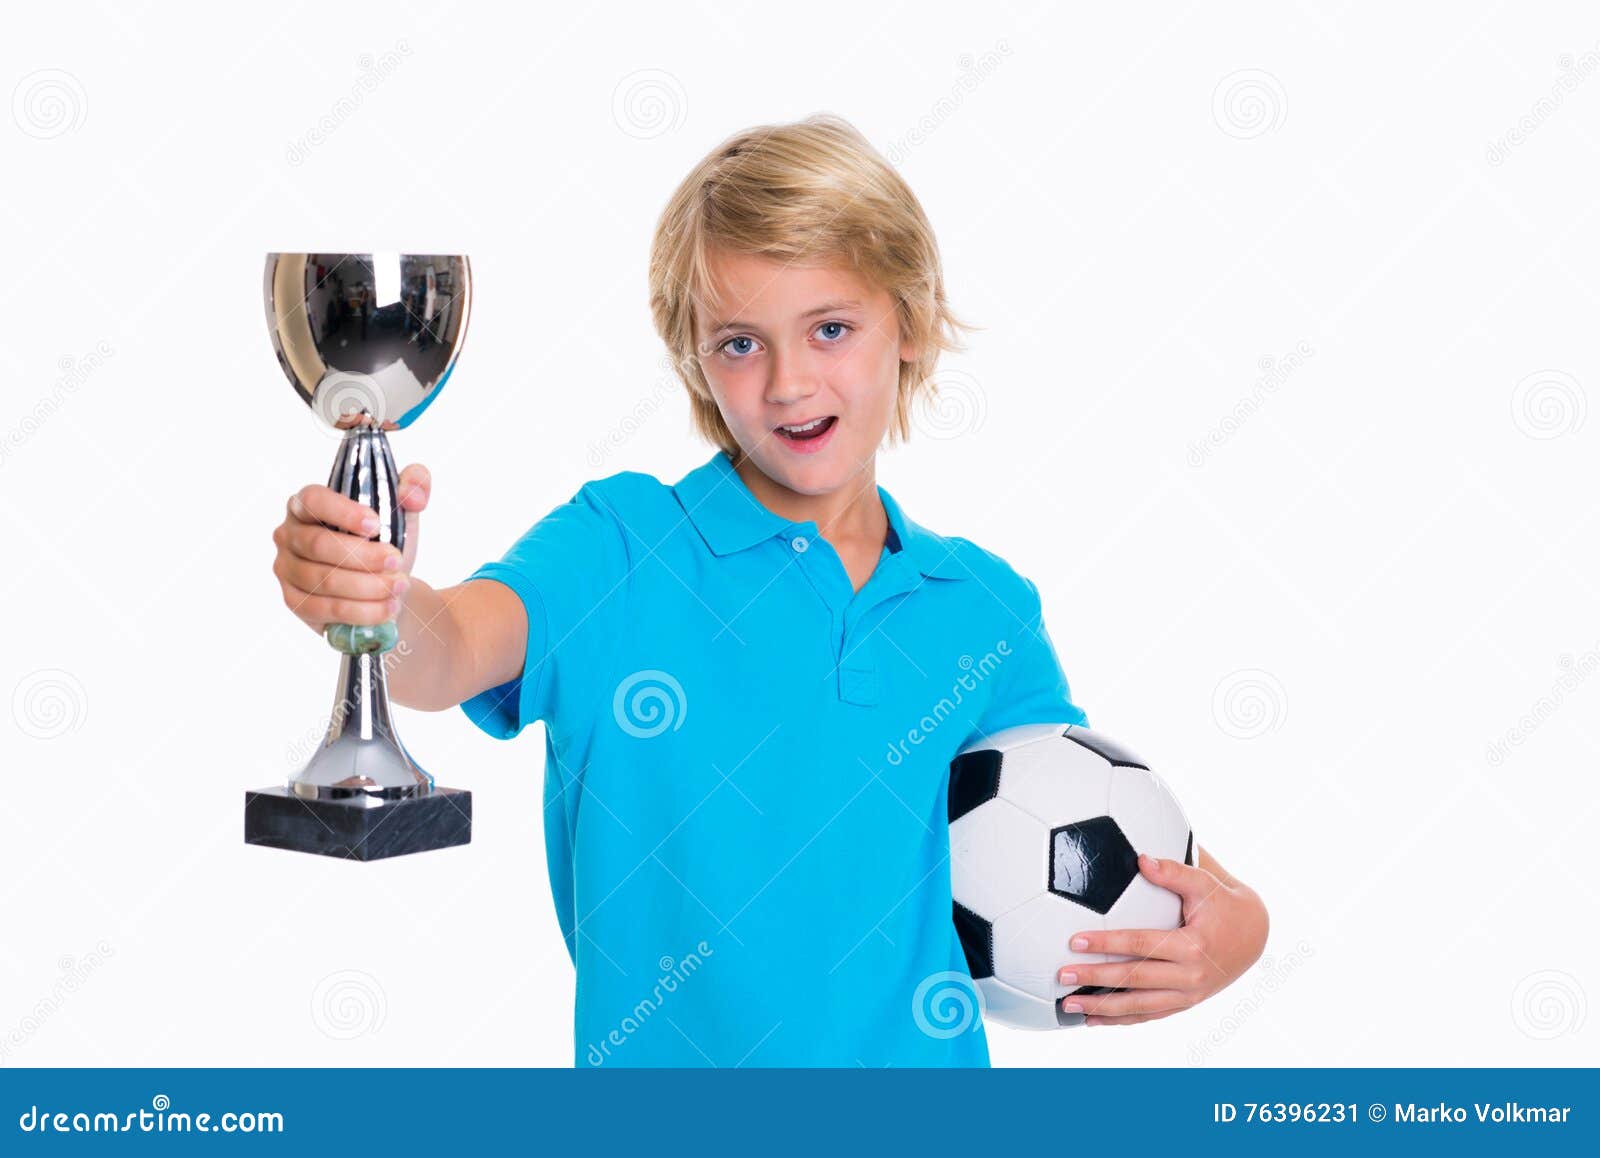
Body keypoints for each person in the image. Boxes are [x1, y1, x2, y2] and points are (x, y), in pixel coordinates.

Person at [269, 114, 1268, 1067]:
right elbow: (451, 649)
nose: (788, 383)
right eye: (740, 343)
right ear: (696, 362)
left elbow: (1103, 821)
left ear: (909, 326)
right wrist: (380, 600)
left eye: (831, 328)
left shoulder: (985, 609)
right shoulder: (622, 546)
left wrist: (1241, 931)